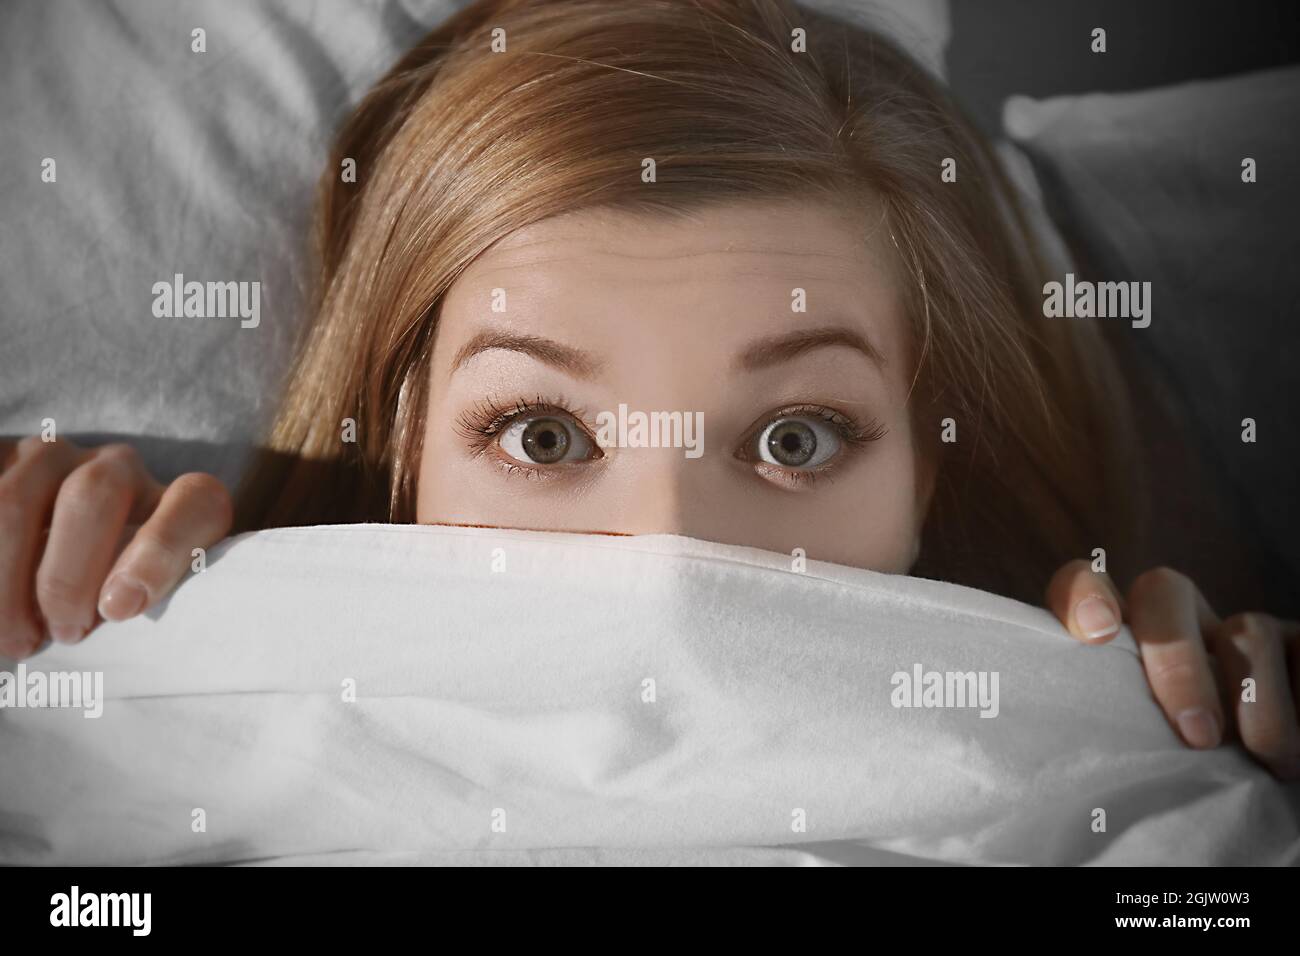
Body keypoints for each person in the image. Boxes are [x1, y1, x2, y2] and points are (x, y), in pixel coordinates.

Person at [1, 0, 1295, 779]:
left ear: (927, 474)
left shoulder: (1132, 783)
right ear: (404, 455)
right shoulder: (142, 735)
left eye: (797, 436)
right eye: (544, 433)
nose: (667, 566)